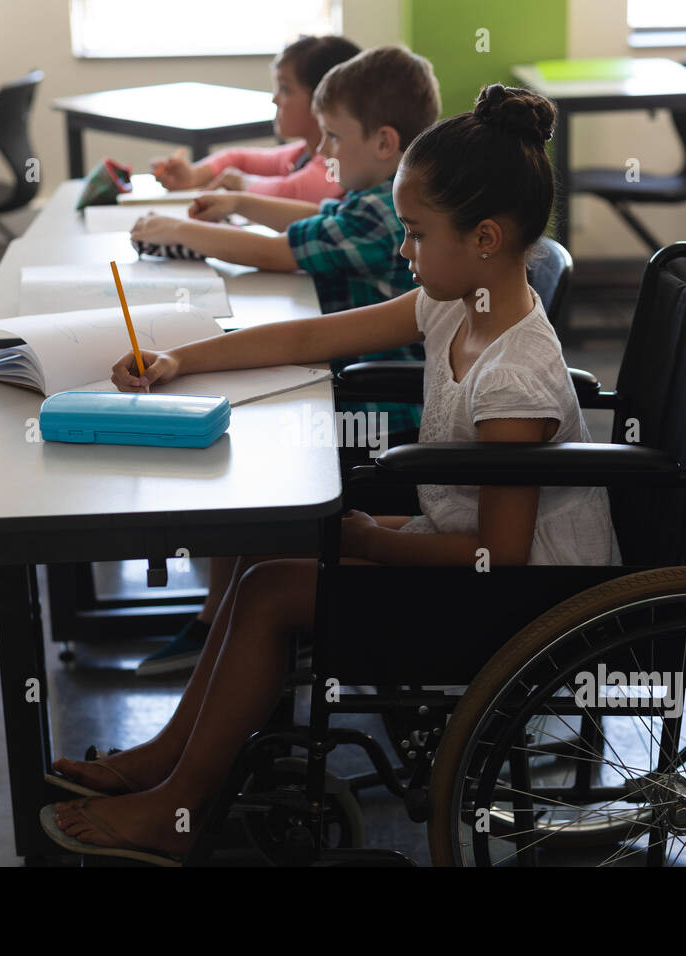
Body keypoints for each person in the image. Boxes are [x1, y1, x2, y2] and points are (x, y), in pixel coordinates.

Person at [43, 84, 622, 862]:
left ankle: (175, 808)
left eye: (416, 234)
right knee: (263, 551)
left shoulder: (515, 377)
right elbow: (313, 336)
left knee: (274, 586)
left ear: (484, 237)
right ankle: (169, 761)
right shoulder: (455, 304)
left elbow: (498, 557)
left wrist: (373, 543)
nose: (403, 252)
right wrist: (184, 358)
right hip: (468, 551)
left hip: (526, 601)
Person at [130, 45, 441, 677]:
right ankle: (222, 617)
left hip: (387, 416)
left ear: (384, 142)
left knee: (244, 438)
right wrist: (236, 203)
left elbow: (285, 253)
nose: (322, 153)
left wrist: (184, 229)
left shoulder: (386, 212)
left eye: (332, 137)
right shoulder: (381, 200)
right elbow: (314, 219)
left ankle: (229, 622)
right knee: (247, 401)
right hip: (369, 391)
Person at [150, 34, 360, 203]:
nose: (275, 99)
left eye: (285, 89)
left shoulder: (338, 165)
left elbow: (294, 191)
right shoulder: (301, 154)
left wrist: (240, 182)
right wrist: (194, 176)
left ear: (322, 99)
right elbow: (237, 159)